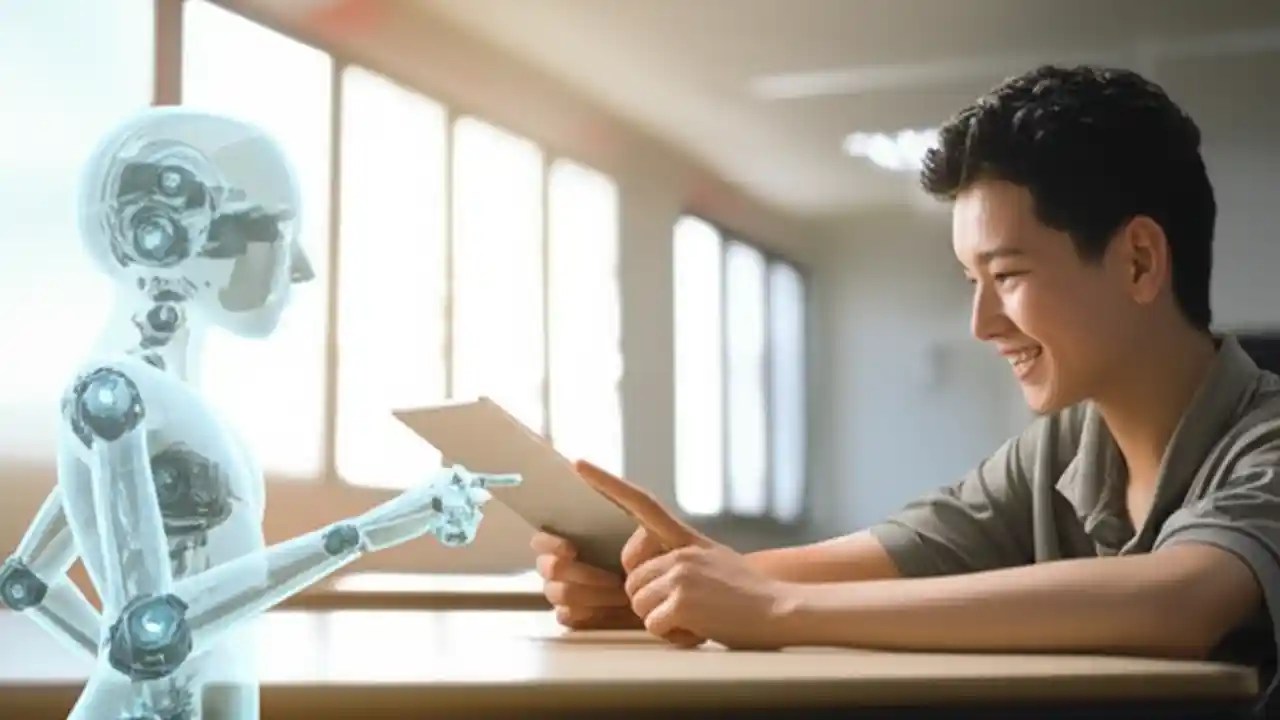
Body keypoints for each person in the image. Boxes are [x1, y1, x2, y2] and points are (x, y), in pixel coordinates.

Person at [531, 65, 1280, 709]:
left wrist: (775, 607)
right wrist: (664, 588)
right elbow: (873, 559)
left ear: (1140, 262)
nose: (983, 323)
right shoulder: (1054, 455)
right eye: (971, 281)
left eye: (1008, 276)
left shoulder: (1267, 441)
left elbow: (1179, 601)